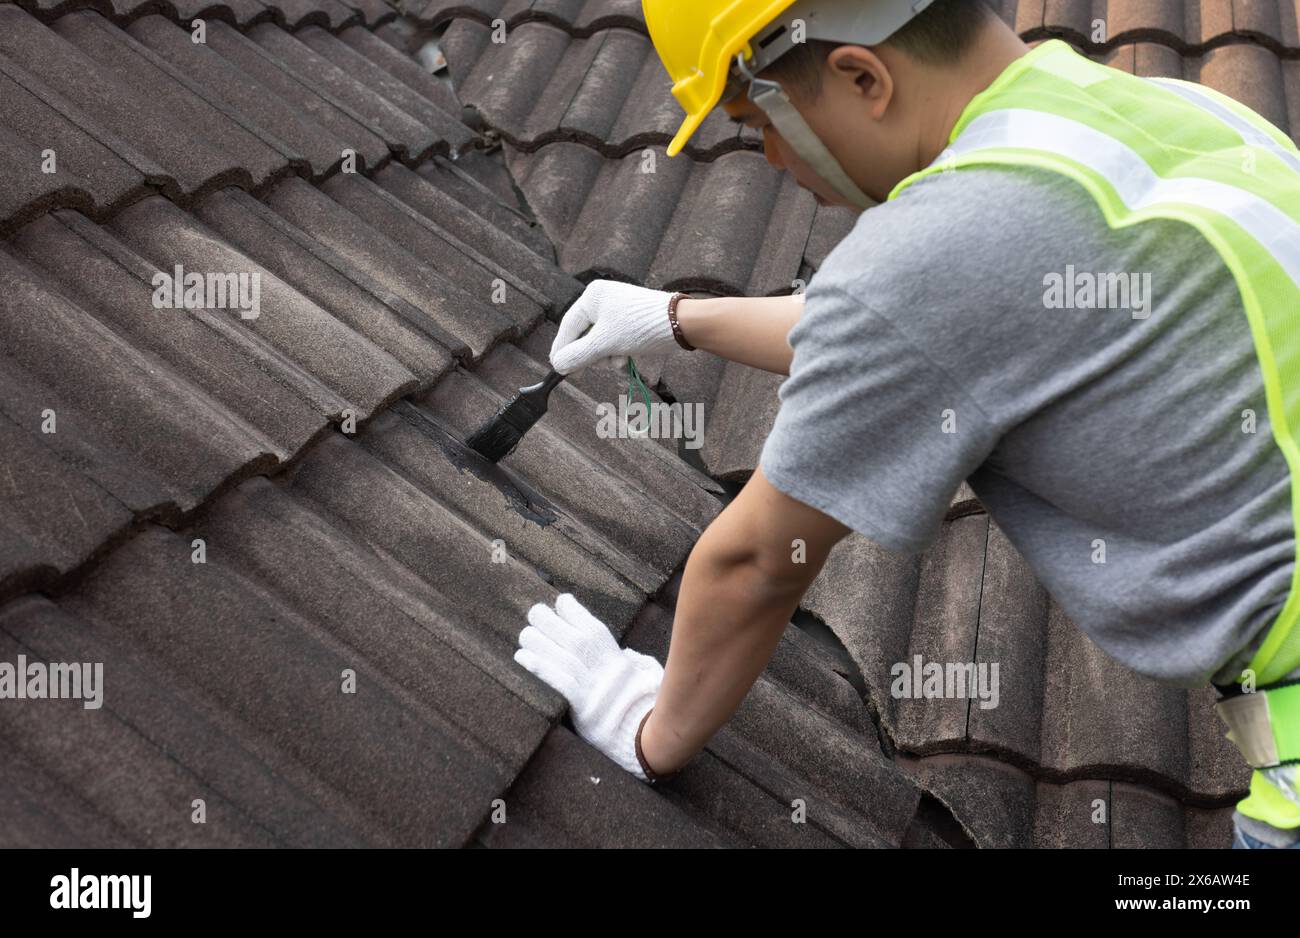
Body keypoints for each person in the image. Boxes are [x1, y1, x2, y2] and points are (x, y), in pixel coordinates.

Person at [512, 0, 1300, 848]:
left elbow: (754, 562)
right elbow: (932, 330)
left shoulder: (935, 252)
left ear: (862, 77)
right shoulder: (1171, 110)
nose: (771, 158)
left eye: (759, 121)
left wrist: (648, 730)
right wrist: (678, 318)